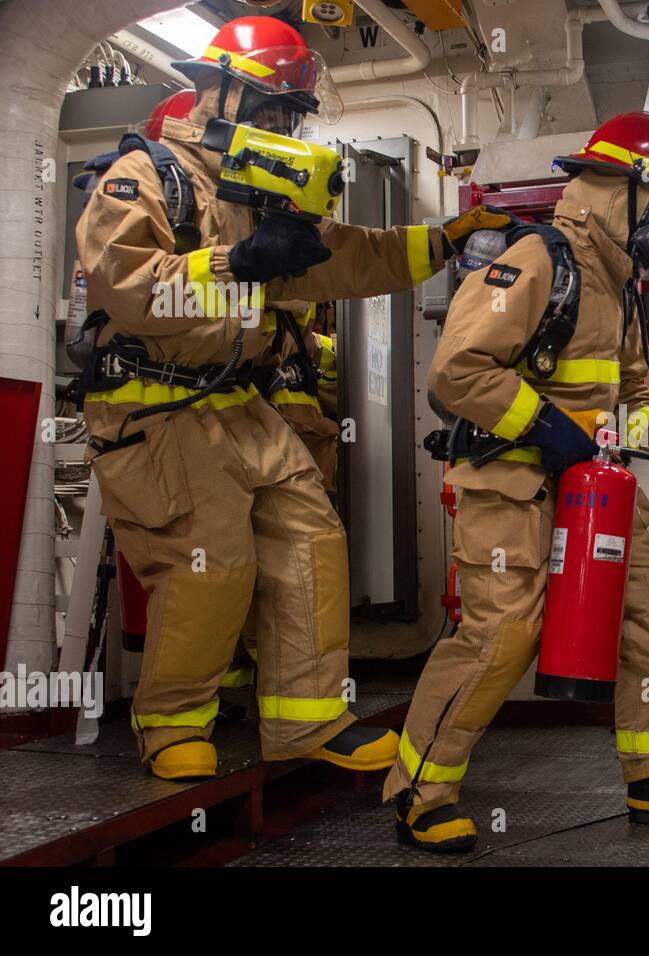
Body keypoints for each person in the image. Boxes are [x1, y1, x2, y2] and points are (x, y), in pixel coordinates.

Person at [75, 15, 507, 781]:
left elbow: (345, 258)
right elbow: (127, 287)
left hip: (241, 406)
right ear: (217, 91)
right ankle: (172, 720)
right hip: (155, 407)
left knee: (311, 543)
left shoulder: (263, 190)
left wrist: (444, 239)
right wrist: (236, 261)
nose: (280, 126)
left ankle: (307, 721)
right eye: (270, 108)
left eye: (290, 114)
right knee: (212, 567)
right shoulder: (146, 175)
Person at [383, 111, 649, 852]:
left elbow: (630, 400)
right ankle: (420, 788)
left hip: (593, 493)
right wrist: (543, 426)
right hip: (511, 487)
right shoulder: (535, 260)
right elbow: (456, 372)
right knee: (501, 636)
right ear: (621, 192)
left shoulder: (615, 287)